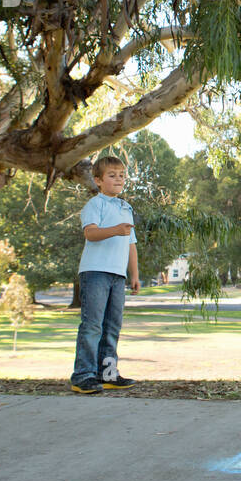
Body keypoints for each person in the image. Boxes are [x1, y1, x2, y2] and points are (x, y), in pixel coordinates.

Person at [70, 155, 140, 395]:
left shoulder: (125, 207)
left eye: (121, 175)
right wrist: (116, 230)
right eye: (112, 176)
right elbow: (91, 234)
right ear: (98, 180)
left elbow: (131, 244)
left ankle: (107, 374)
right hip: (95, 272)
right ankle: (83, 375)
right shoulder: (95, 205)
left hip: (117, 275)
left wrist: (134, 274)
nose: (118, 179)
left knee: (112, 326)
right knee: (92, 326)